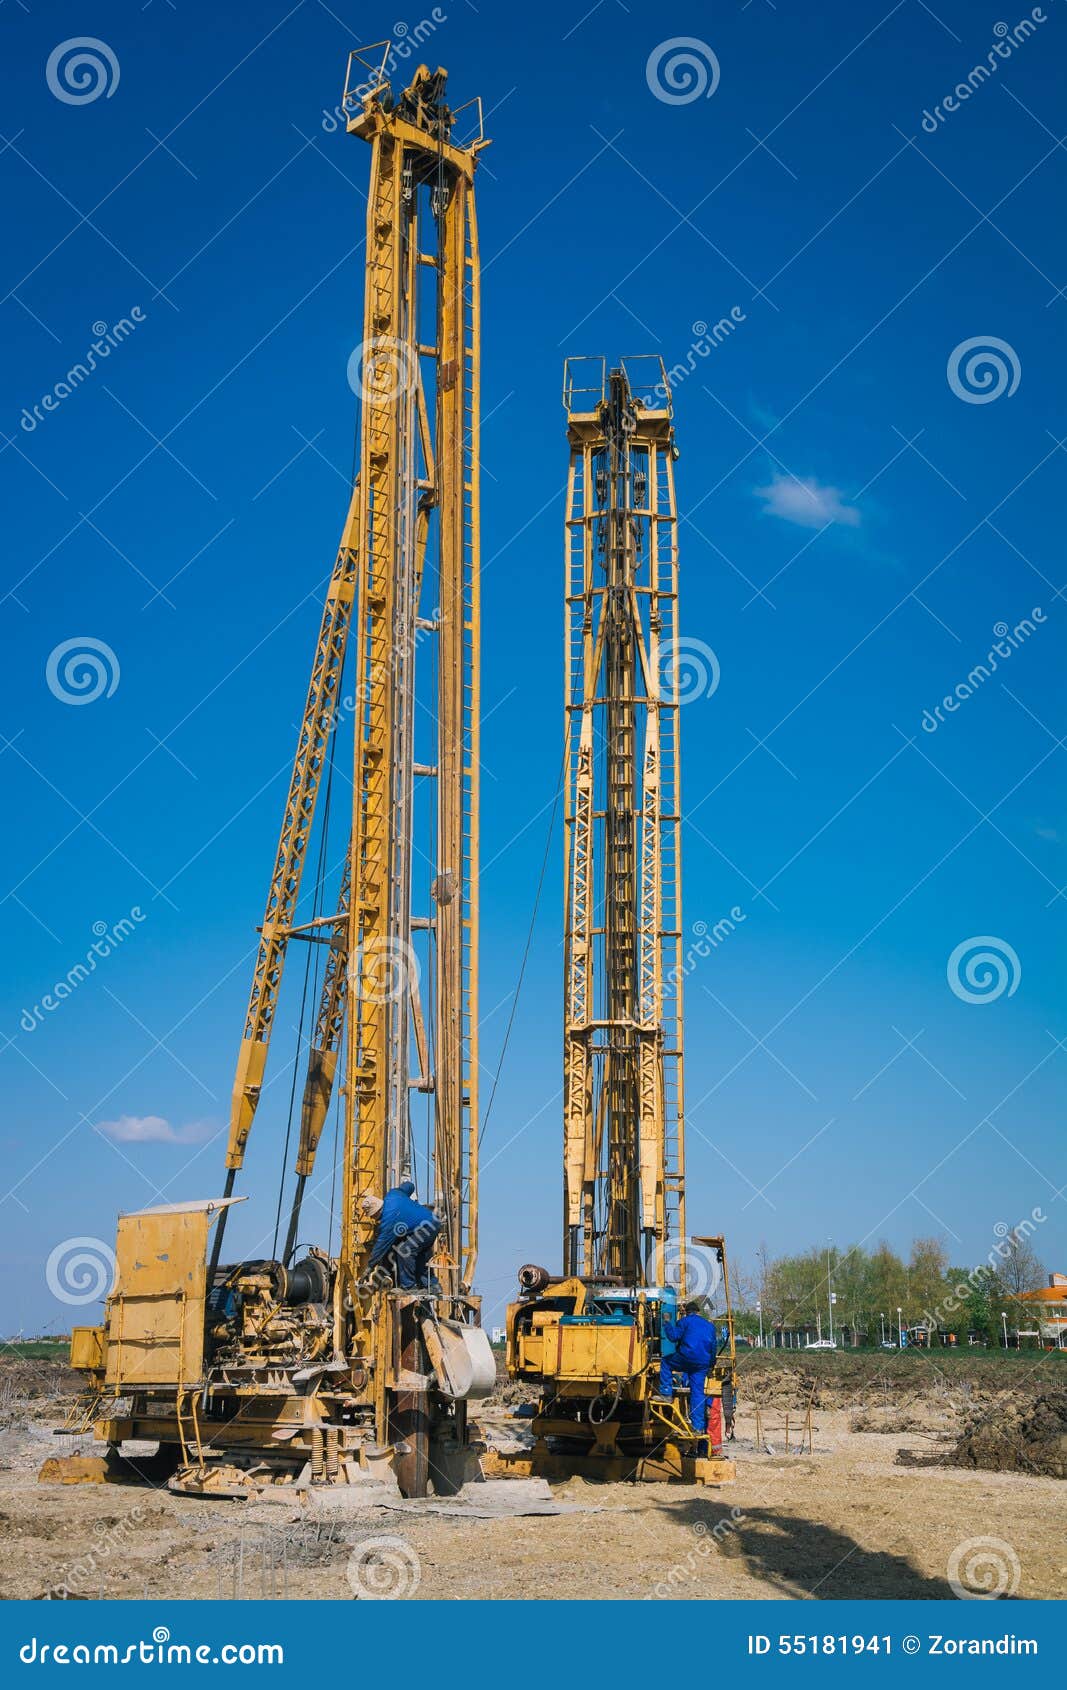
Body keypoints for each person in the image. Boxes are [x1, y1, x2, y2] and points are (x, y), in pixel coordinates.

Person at [361, 1181, 441, 1289]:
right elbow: (409, 1185)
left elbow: (380, 1248)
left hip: (426, 1227)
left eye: (371, 1216)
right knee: (419, 1255)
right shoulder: (393, 1194)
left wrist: (369, 1268)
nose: (372, 1218)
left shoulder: (388, 1222)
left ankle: (409, 1287)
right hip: (433, 1222)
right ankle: (433, 1285)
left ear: (376, 1212)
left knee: (404, 1251)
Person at [658, 1298, 718, 1436]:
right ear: (698, 1312)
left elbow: (673, 1337)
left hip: (686, 1358)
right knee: (697, 1393)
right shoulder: (709, 1326)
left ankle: (666, 1393)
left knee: (666, 1362)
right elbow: (714, 1346)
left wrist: (667, 1322)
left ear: (686, 1312)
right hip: (702, 1363)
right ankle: (698, 1428)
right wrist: (711, 1364)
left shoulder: (685, 1321)